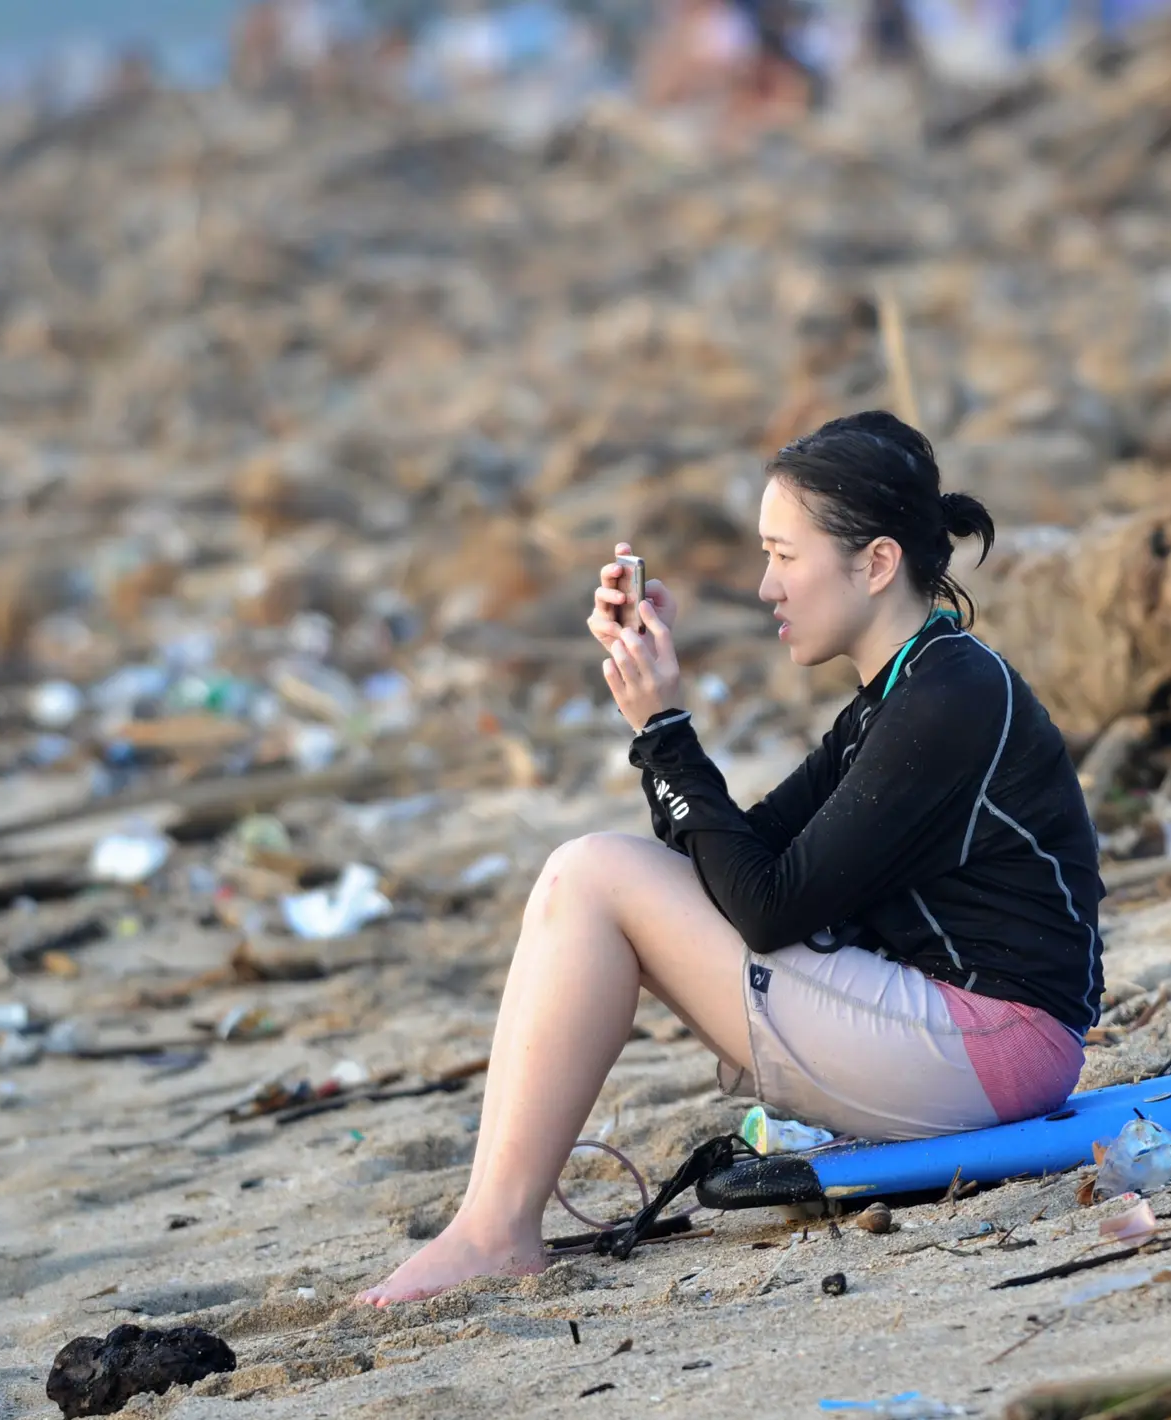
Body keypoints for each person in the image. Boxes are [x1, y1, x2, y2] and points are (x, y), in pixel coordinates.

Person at [357, 411, 1104, 1306]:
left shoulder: (948, 698)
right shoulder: (904, 692)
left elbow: (765, 908)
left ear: (875, 563)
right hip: (969, 1038)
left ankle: (494, 1232)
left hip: (996, 1045)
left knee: (590, 873)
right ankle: (493, 1223)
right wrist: (657, 715)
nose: (765, 586)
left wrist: (666, 732)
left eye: (784, 556)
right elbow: (742, 859)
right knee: (594, 878)